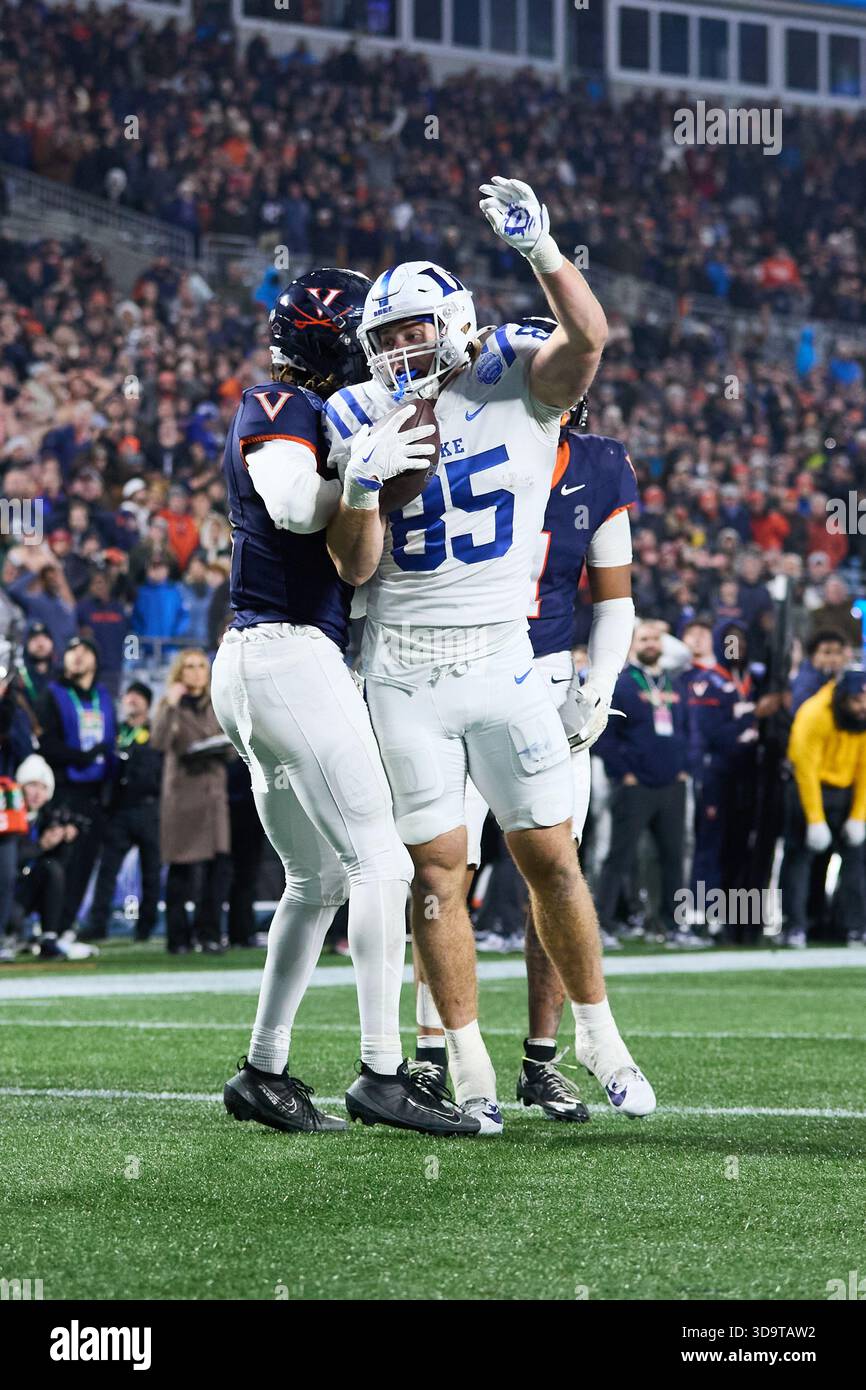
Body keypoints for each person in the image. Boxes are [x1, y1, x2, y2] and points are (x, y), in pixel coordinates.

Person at [325, 177, 655, 1129]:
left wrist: (543, 251)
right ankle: (466, 1067)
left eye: (413, 328)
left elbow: (588, 342)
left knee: (551, 852)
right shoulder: (353, 415)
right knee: (439, 872)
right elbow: (354, 570)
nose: (399, 349)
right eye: (383, 336)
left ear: (456, 320)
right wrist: (360, 491)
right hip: (401, 663)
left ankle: (598, 1039)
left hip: (505, 653)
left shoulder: (510, 367)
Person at [211, 268, 478, 1136]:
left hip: (261, 659)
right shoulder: (281, 406)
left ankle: (265, 1070)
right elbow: (292, 508)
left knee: (315, 877)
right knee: (383, 863)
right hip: (286, 652)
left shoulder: (326, 414)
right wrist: (357, 477)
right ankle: (383, 1071)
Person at [415, 379, 639, 1121]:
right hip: (450, 667)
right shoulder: (462, 446)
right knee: (442, 868)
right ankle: (432, 1055)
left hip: (542, 679)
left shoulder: (598, 464)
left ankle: (543, 1058)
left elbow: (614, 596)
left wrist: (598, 685)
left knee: (553, 866)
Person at [596, 620, 696, 949]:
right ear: (632, 644)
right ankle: (602, 925)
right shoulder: (623, 684)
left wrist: (685, 768)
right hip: (635, 785)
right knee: (620, 857)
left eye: (656, 638)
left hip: (672, 784)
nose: (651, 644)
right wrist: (623, 773)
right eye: (644, 639)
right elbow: (605, 735)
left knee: (673, 857)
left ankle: (672, 925)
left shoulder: (674, 683)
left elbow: (687, 730)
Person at [151, 649, 230, 956]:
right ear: (179, 673)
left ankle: (209, 934)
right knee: (182, 871)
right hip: (183, 797)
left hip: (214, 796)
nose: (197, 672)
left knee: (217, 871)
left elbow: (236, 744)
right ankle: (178, 937)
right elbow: (157, 742)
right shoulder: (169, 705)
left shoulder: (219, 703)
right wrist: (170, 704)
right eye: (189, 667)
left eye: (201, 666)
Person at [780, 668, 866, 948]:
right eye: (857, 700)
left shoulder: (861, 717)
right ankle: (794, 926)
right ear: (843, 698)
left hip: (847, 792)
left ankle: (855, 926)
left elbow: (865, 769)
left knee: (857, 859)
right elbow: (805, 770)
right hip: (809, 789)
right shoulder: (815, 713)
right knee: (799, 858)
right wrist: (815, 819)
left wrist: (858, 815)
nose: (862, 707)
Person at [36, 635, 116, 934]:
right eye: (71, 651)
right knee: (63, 862)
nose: (78, 656)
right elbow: (45, 743)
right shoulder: (52, 694)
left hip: (95, 793)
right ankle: (50, 929)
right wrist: (80, 757)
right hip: (64, 789)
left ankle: (68, 928)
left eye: (85, 651)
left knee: (84, 862)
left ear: (95, 659)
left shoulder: (104, 696)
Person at [84, 681, 162, 943]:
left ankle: (145, 927)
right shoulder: (114, 733)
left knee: (151, 872)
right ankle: (97, 925)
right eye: (129, 695)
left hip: (151, 808)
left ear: (148, 703)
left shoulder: (157, 732)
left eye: (138, 696)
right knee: (107, 871)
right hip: (119, 809)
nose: (132, 700)